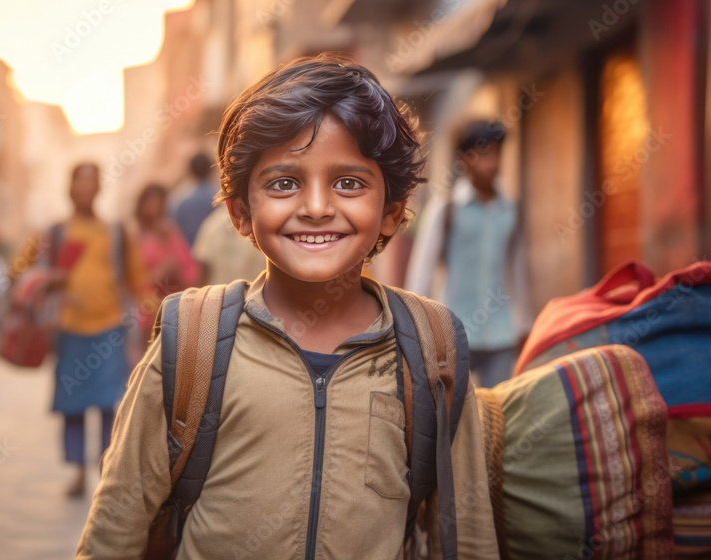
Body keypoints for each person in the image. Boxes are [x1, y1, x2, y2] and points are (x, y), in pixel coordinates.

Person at [76, 54, 497, 559]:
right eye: (283, 183)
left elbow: (469, 532)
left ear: (392, 212)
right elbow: (116, 524)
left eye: (349, 182)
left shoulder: (433, 350)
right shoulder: (191, 341)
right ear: (240, 213)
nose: (316, 206)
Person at [43, 163, 150, 498]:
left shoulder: (116, 233)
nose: (86, 189)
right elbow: (34, 277)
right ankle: (77, 472)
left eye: (93, 183)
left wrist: (155, 313)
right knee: (72, 405)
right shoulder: (56, 232)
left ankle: (106, 470)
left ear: (99, 189)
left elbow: (136, 279)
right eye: (80, 183)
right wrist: (49, 282)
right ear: (70, 189)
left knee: (108, 403)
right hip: (69, 328)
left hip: (109, 328)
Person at [405, 120, 531, 388]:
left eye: (497, 154)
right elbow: (422, 270)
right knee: (453, 413)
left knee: (499, 409)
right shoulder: (446, 209)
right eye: (484, 154)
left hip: (502, 334)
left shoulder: (511, 211)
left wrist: (524, 323)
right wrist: (413, 327)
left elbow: (516, 270)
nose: (493, 163)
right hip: (454, 333)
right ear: (463, 158)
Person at [131, 183, 201, 340]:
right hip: (149, 312)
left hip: (175, 310)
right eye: (151, 203)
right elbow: (133, 280)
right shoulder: (136, 237)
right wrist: (157, 275)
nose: (155, 209)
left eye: (159, 203)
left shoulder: (171, 231)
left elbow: (189, 268)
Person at [191, 203, 266, 285]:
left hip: (220, 293)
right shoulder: (262, 224)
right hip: (254, 291)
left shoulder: (213, 224)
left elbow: (203, 269)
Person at [171, 152, 217, 246]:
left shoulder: (180, 203)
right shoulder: (219, 199)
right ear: (211, 169)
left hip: (189, 255)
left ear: (190, 172)